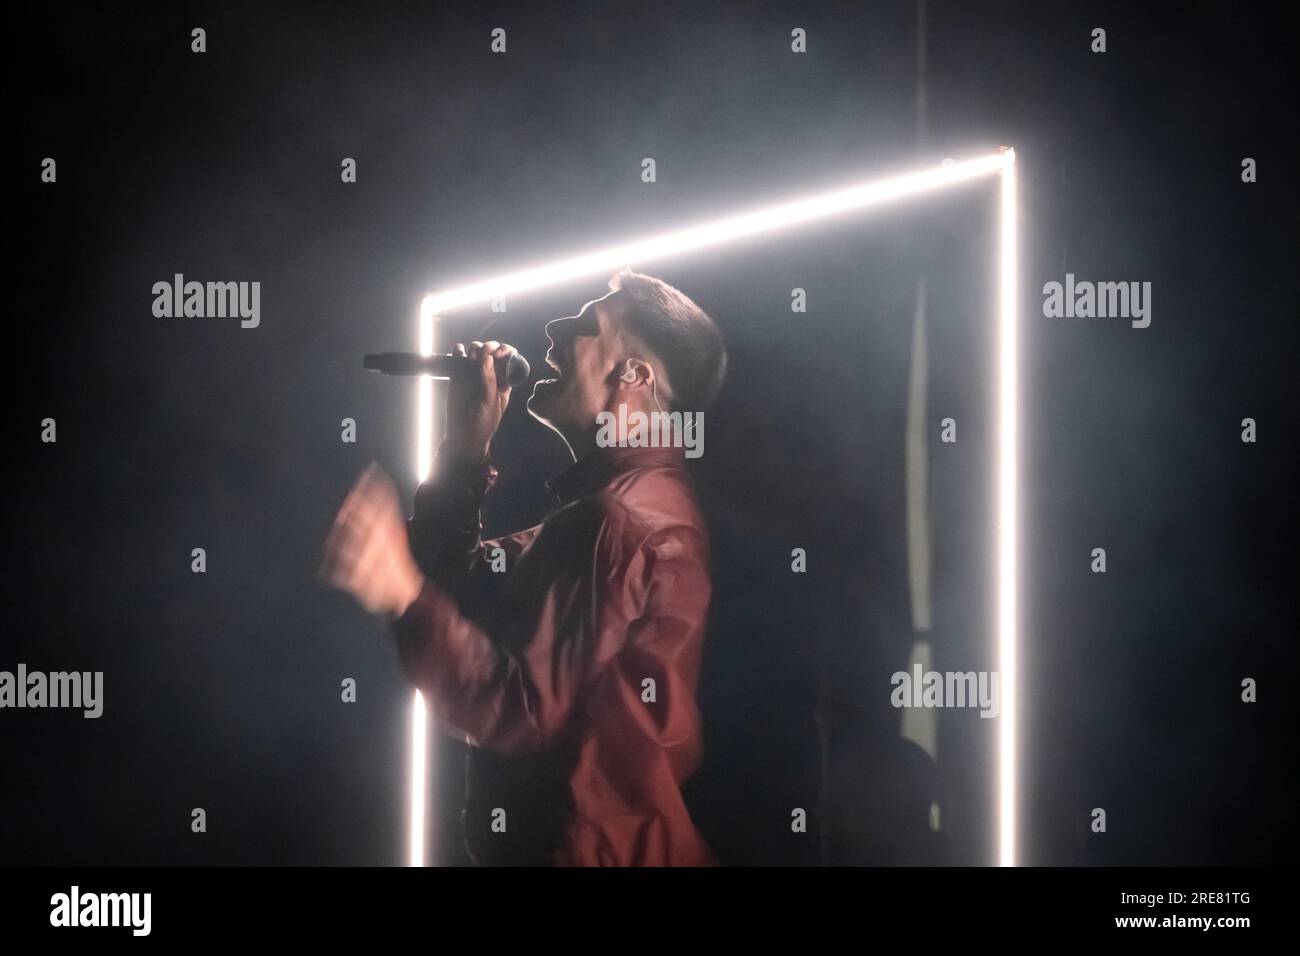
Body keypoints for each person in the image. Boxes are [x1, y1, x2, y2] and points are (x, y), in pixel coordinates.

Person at [321, 269, 727, 865]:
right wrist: (465, 449)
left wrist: (401, 591)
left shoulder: (618, 520)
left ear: (633, 375)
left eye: (586, 326)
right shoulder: (623, 506)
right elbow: (464, 588)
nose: (553, 328)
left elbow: (521, 709)